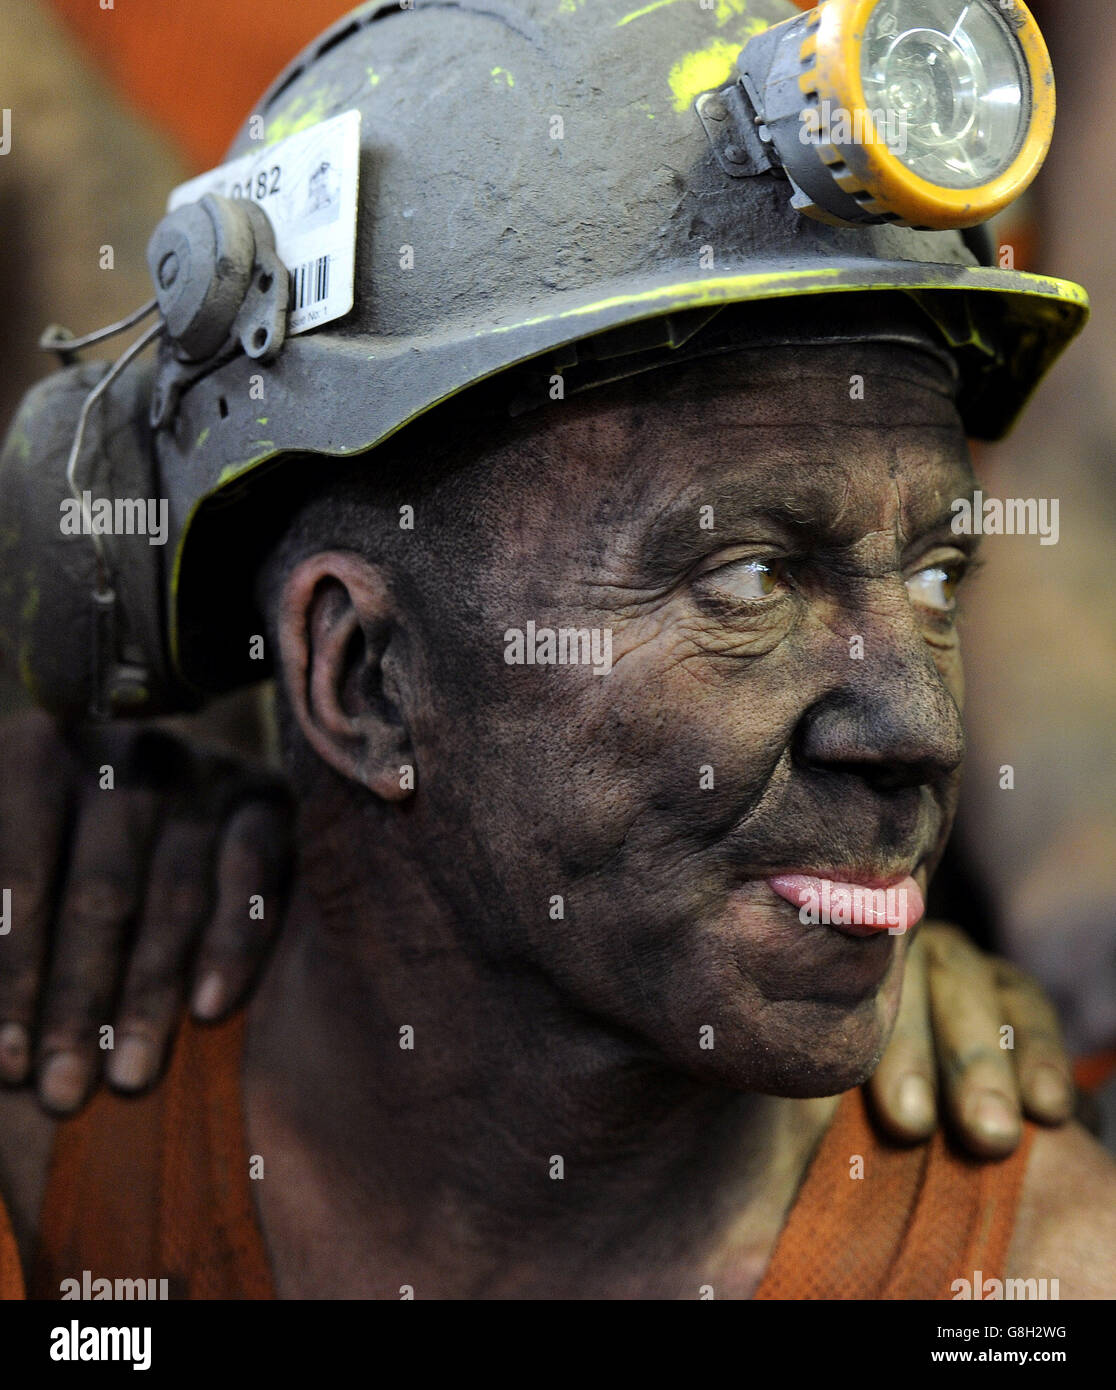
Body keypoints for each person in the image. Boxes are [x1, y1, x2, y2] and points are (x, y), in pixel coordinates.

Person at [0, 0, 1110, 1298]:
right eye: (747, 576)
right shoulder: (57, 1196)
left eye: (935, 575)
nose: (921, 725)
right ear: (361, 676)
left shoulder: (1034, 1288)